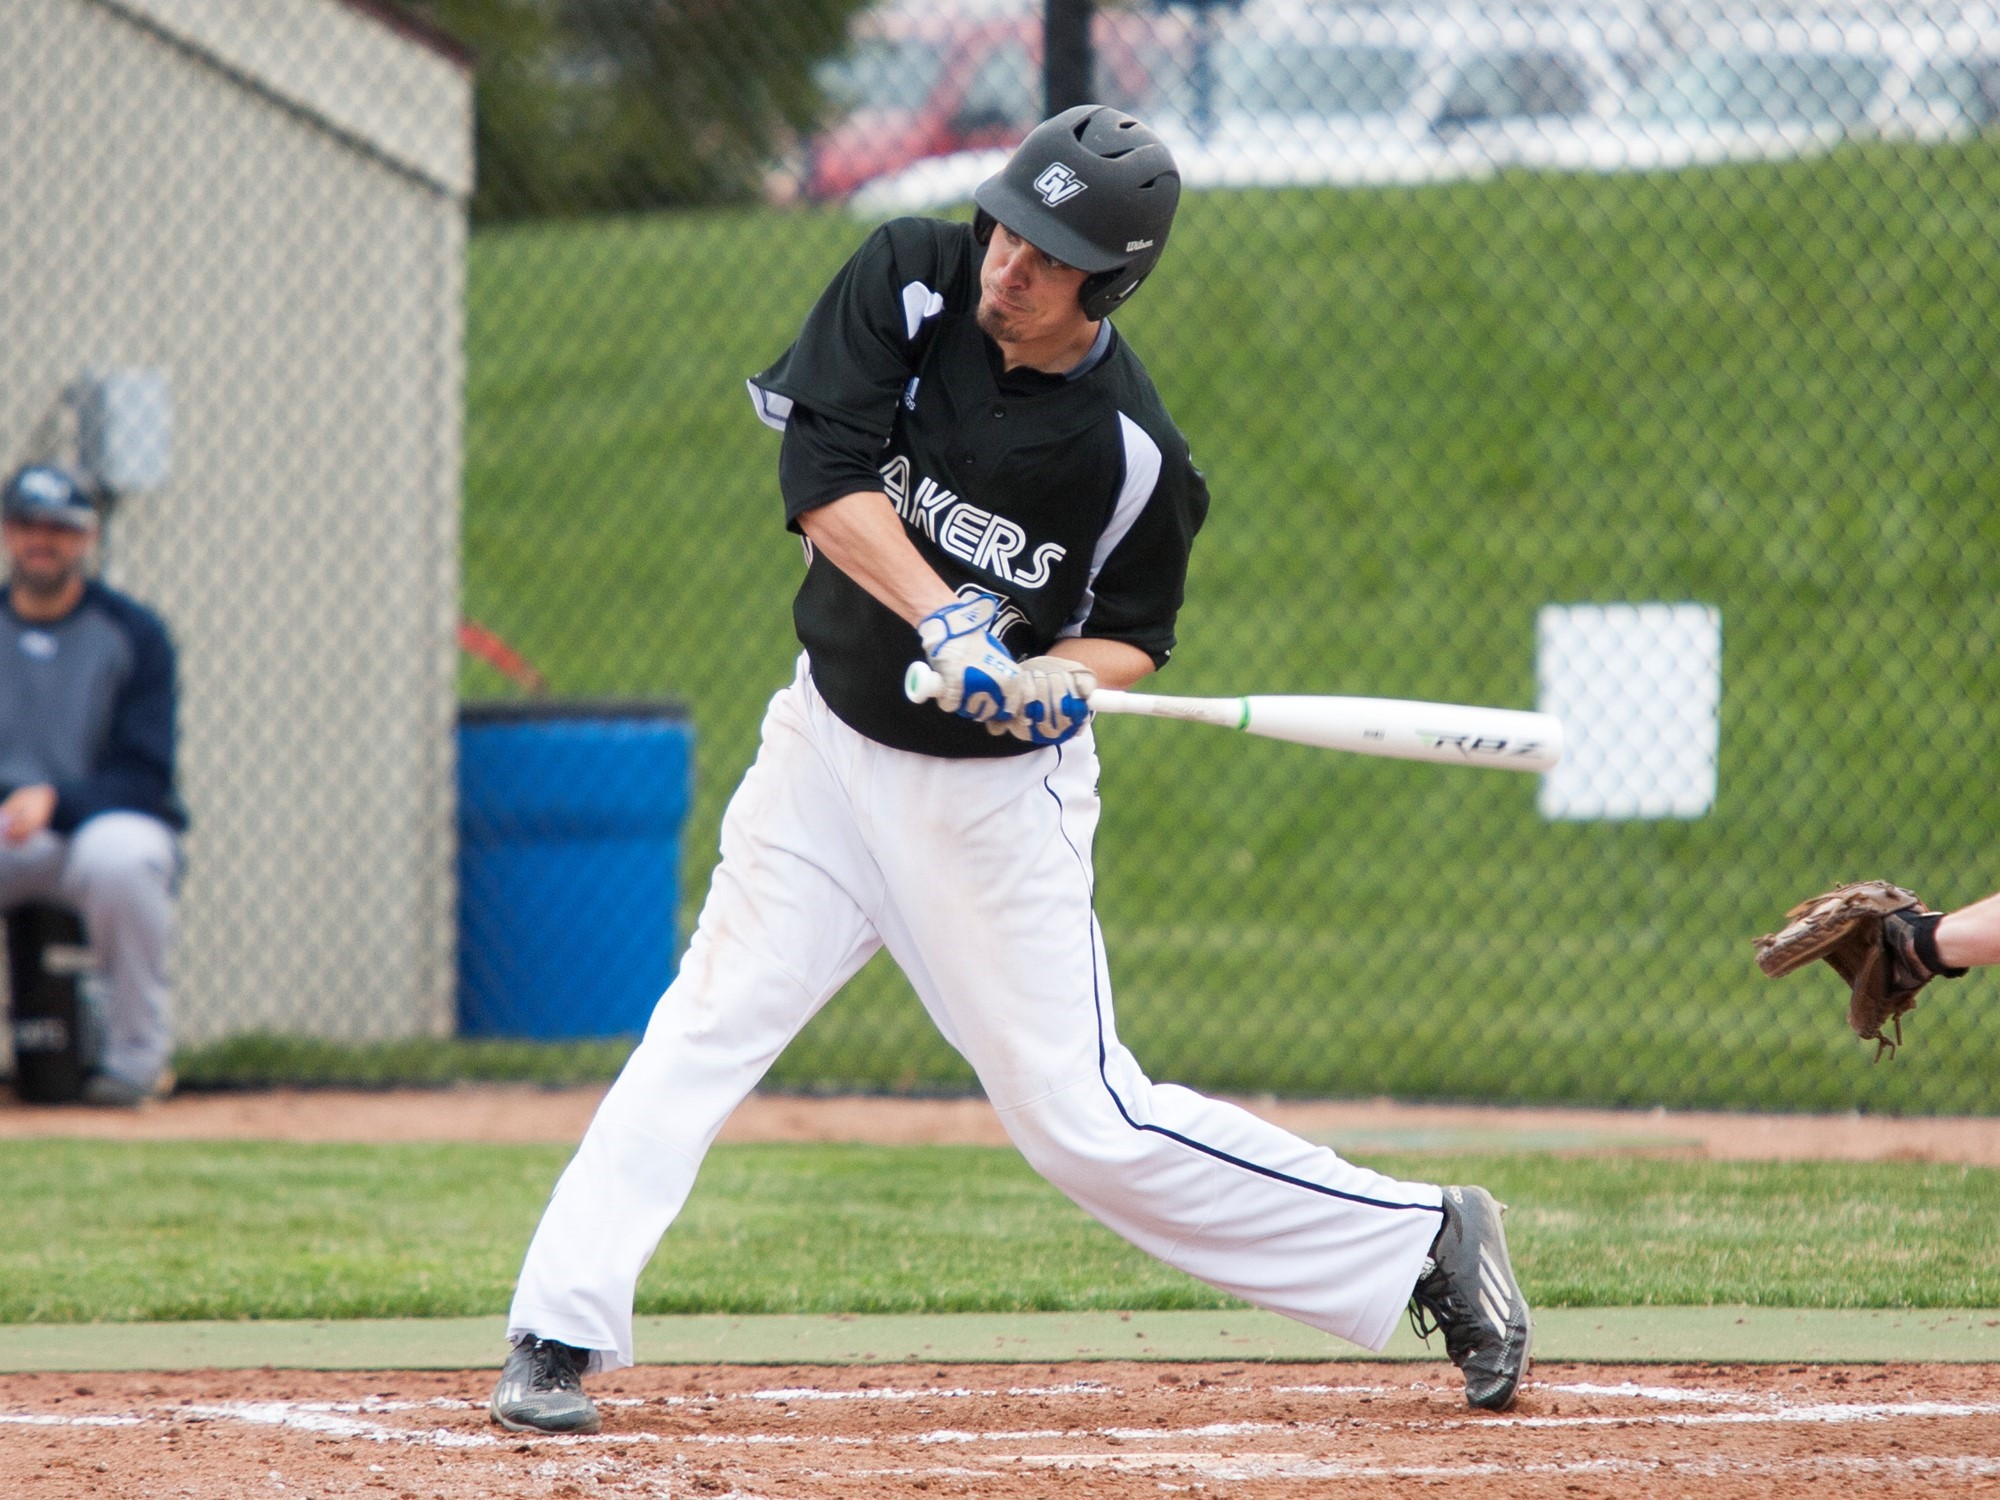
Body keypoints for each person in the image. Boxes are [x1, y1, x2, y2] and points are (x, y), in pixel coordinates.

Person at [490, 106, 1531, 1435]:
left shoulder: (1131, 456)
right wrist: (949, 616)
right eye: (1009, 227)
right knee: (706, 1021)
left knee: (1082, 1124)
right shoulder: (910, 276)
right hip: (825, 746)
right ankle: (556, 1330)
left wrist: (1052, 692)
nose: (1009, 265)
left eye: (1049, 256)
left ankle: (1424, 1236)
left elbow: (1131, 638)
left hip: (986, 812)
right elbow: (824, 476)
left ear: (1111, 283)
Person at [0, 463, 185, 1106]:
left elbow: (147, 774)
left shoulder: (133, 634)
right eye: (26, 524)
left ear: (87, 537)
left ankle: (134, 1064)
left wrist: (59, 802)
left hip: (87, 832)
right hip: (5, 834)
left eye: (59, 527)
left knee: (126, 855)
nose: (40, 540)